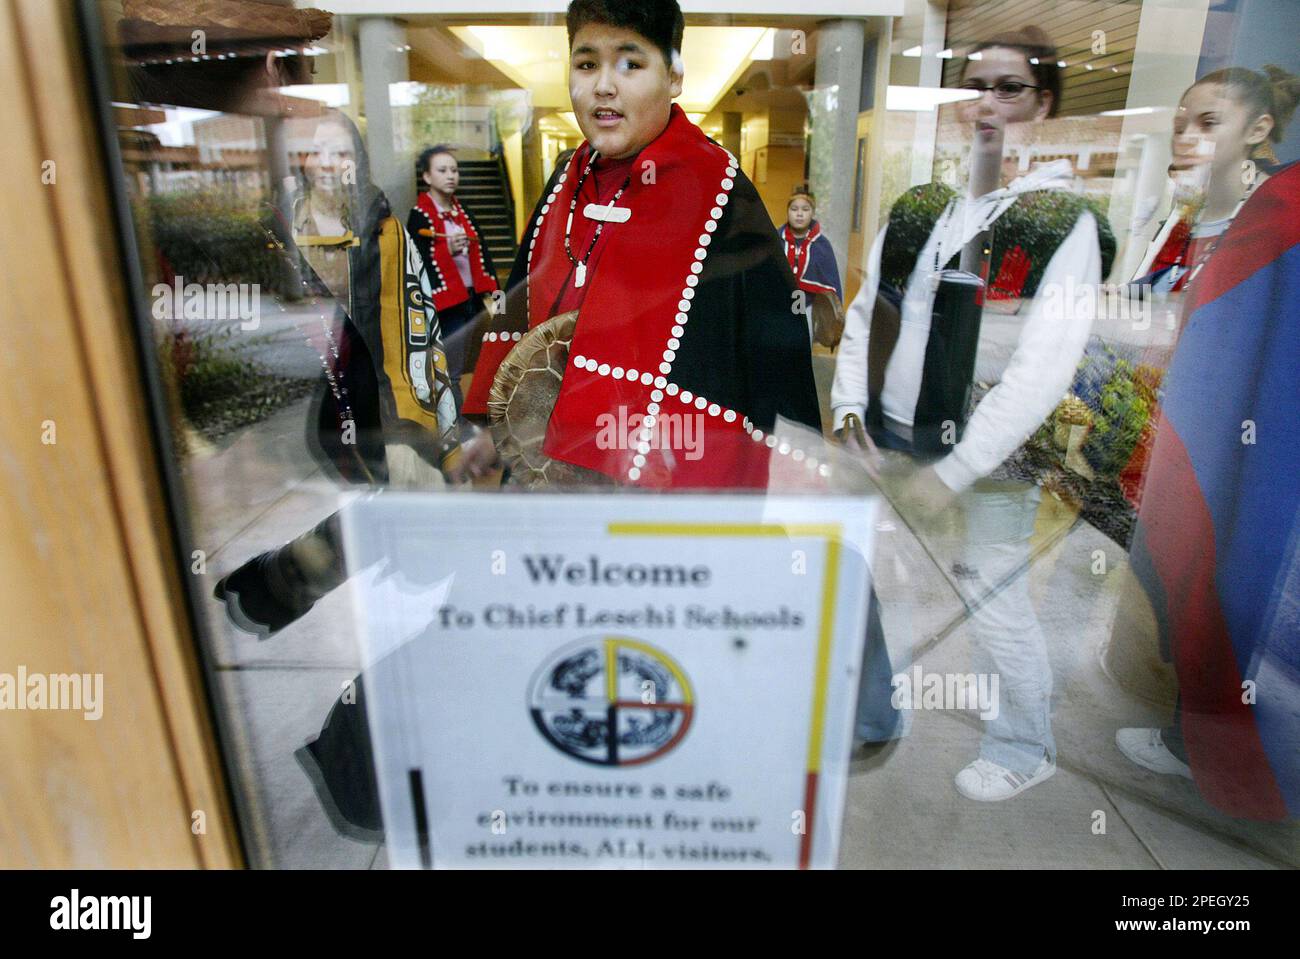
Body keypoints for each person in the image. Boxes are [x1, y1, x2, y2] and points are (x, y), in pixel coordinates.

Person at [832, 26, 1116, 801]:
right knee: (882, 584)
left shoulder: (1064, 222)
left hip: (992, 456)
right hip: (888, 436)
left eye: (1010, 89)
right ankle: (880, 710)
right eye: (975, 86)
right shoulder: (926, 205)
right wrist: (850, 406)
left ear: (1045, 104)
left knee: (994, 602)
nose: (988, 103)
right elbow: (868, 314)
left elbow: (1040, 371)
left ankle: (1027, 744)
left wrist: (955, 471)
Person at [463, 0, 821, 489]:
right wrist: (495, 428)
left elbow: (774, 369)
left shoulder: (723, 196)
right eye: (586, 64)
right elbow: (521, 314)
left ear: (674, 77)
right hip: (545, 476)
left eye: (631, 64)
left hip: (665, 486)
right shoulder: (564, 182)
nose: (603, 86)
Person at [214, 111, 497, 636]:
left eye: (342, 151)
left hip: (380, 400)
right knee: (403, 514)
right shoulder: (275, 229)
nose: (329, 162)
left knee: (409, 510)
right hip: (300, 406)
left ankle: (276, 587)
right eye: (318, 149)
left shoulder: (383, 230)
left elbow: (413, 325)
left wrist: (426, 423)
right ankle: (276, 587)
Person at [1115, 67, 1300, 821]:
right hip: (1188, 438)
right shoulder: (1198, 217)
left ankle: (1211, 746)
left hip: (1234, 450)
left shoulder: (1275, 217)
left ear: (1258, 130)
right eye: (1181, 123)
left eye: (1209, 122)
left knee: (1224, 580)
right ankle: (1193, 731)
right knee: (1188, 579)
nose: (1187, 138)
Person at [408, 145, 500, 404]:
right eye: (442, 170)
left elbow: (483, 252)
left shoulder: (464, 213)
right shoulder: (419, 216)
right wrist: (444, 249)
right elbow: (414, 261)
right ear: (427, 177)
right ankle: (456, 428)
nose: (451, 175)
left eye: (454, 170)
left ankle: (470, 418)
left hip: (472, 299)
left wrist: (498, 293)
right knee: (452, 370)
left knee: (478, 363)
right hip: (446, 304)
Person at [779, 188, 842, 301]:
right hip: (778, 307)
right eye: (794, 209)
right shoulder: (775, 240)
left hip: (812, 309)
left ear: (812, 213)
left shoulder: (822, 245)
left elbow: (833, 284)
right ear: (787, 211)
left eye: (805, 209)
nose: (799, 214)